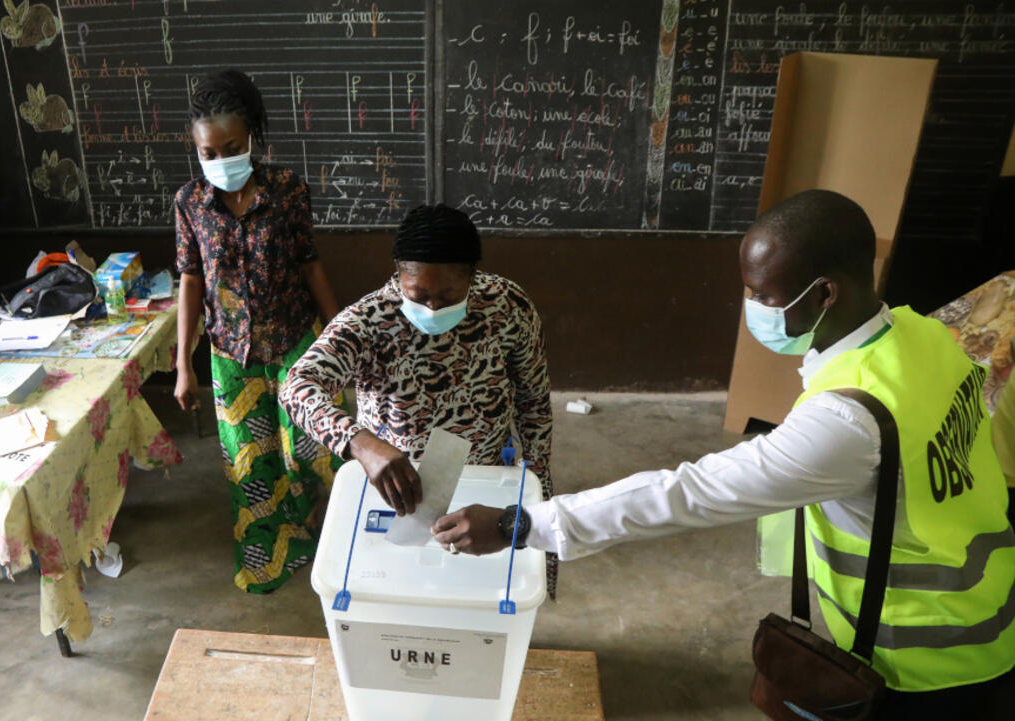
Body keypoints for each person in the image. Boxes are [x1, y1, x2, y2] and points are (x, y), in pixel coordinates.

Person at [432, 190, 1015, 718]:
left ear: (826, 292)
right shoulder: (926, 335)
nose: (753, 306)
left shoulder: (847, 423)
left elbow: (689, 493)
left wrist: (520, 523)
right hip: (989, 607)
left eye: (764, 294)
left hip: (923, 652)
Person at [281, 203, 557, 594]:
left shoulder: (507, 307)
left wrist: (537, 488)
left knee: (476, 592)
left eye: (447, 296)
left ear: (472, 277)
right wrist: (362, 445)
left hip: (482, 478)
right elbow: (297, 387)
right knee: (404, 588)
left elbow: (533, 400)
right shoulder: (368, 320)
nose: (431, 308)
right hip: (396, 489)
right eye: (418, 294)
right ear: (398, 274)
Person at [172, 69, 343, 594]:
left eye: (232, 146)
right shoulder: (189, 205)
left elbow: (311, 265)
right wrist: (183, 365)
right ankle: (270, 558)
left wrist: (341, 337)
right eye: (208, 152)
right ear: (195, 150)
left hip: (296, 342)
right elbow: (190, 282)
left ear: (252, 139)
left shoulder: (288, 190)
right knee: (252, 468)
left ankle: (339, 543)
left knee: (317, 451)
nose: (221, 161)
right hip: (231, 357)